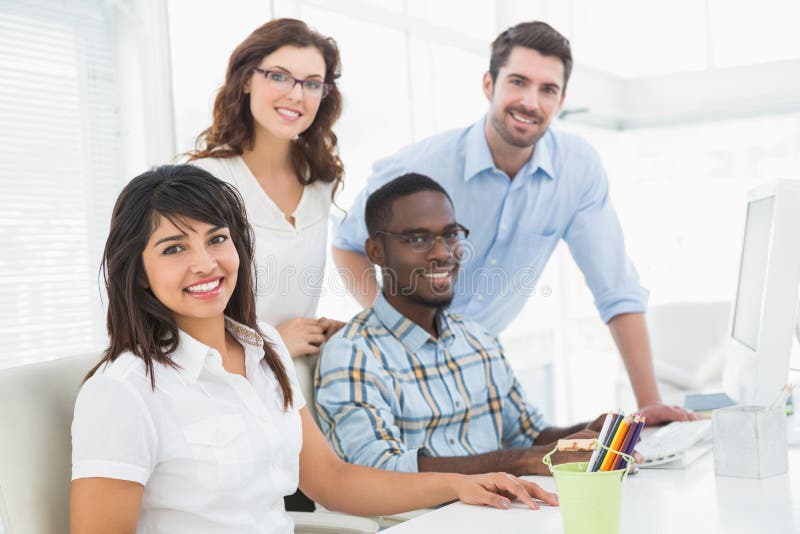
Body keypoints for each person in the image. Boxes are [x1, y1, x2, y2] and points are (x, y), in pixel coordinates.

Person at [69, 165, 557, 534]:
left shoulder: (264, 348)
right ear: (138, 271)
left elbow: (332, 481)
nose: (205, 263)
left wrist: (459, 485)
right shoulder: (123, 392)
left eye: (217, 239)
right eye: (174, 248)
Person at [330, 21, 696, 425]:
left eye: (547, 89)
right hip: (402, 368)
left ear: (561, 100)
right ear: (489, 85)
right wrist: (396, 329)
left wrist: (649, 401)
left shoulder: (577, 170)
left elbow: (615, 289)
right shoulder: (422, 166)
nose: (530, 102)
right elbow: (348, 244)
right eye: (518, 82)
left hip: (482, 366)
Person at [316, 174, 604, 475]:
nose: (442, 253)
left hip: (508, 503)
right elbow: (378, 470)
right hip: (431, 510)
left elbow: (528, 435)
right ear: (376, 251)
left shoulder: (478, 339)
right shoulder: (353, 354)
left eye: (450, 235)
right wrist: (520, 461)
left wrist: (593, 432)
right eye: (418, 239)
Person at [188, 18, 345, 359]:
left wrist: (319, 330)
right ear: (246, 79)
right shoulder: (207, 181)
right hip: (231, 373)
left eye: (312, 84)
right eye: (279, 76)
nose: (296, 95)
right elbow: (183, 311)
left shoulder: (321, 180)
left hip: (294, 372)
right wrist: (269, 341)